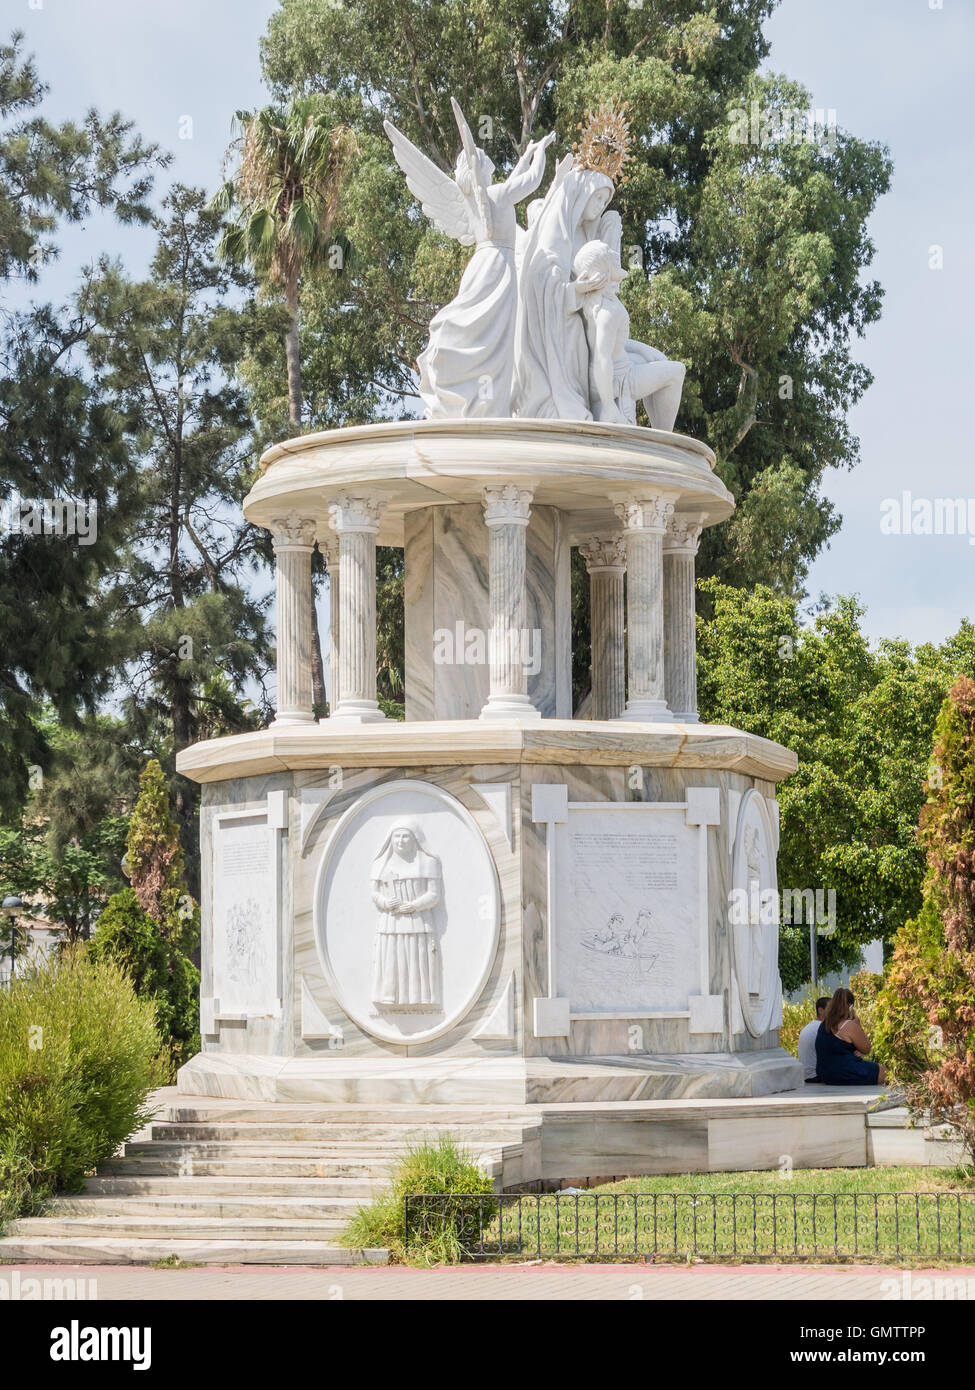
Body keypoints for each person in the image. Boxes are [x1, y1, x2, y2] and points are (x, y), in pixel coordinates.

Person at [815, 987, 887, 1085]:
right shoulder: (848, 1025)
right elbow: (866, 1048)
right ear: (849, 1006)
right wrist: (858, 1025)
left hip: (825, 1074)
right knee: (885, 1072)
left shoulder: (823, 1025)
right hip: (844, 1071)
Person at [797, 997, 830, 1082]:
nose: (835, 1012)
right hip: (816, 1076)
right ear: (820, 1010)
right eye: (831, 1008)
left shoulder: (810, 1026)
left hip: (806, 1076)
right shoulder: (822, 1028)